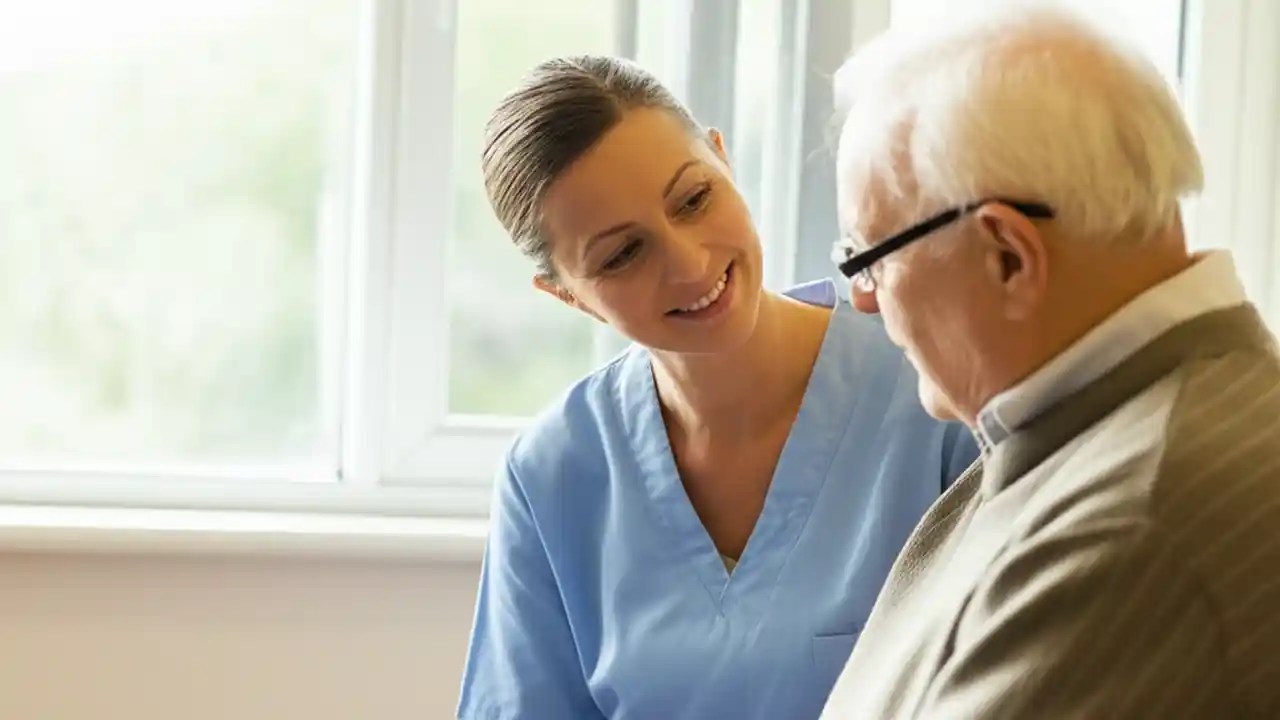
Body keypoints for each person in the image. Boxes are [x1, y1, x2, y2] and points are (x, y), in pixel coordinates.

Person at [456, 56, 978, 720]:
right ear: (568, 296)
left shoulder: (935, 390)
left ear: (722, 158)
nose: (690, 263)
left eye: (694, 200)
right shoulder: (551, 476)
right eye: (622, 255)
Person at [820, 7, 1280, 719]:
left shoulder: (1132, 527)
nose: (862, 298)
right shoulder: (1092, 428)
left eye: (868, 258)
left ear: (1007, 256)